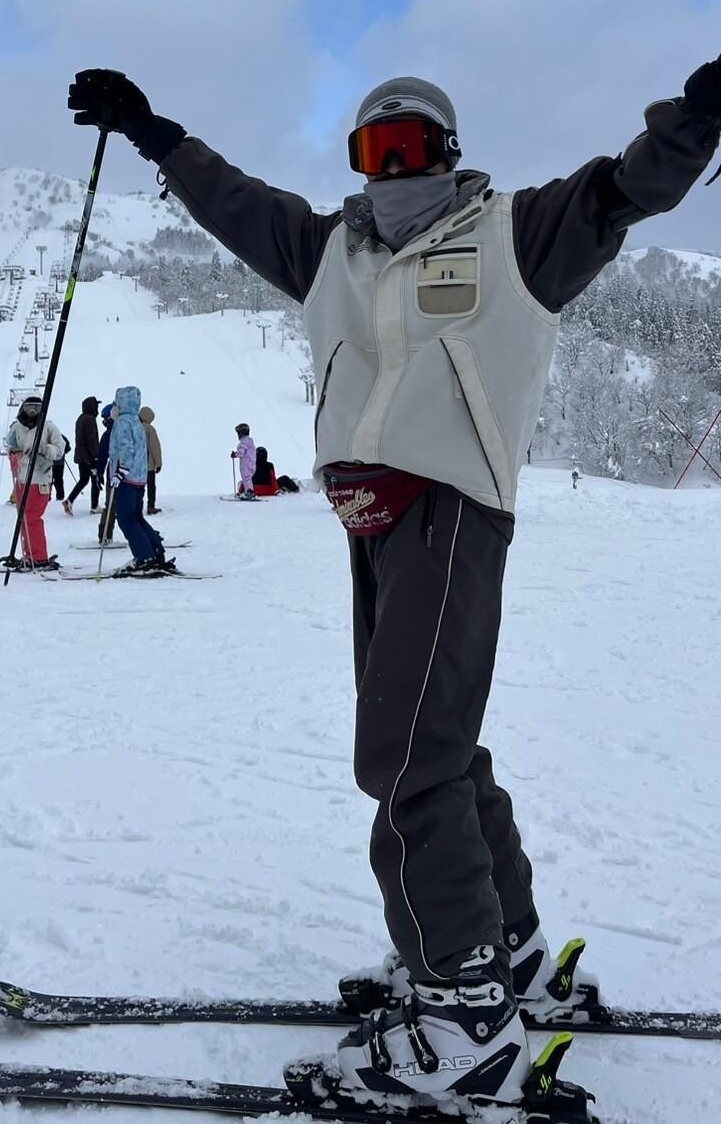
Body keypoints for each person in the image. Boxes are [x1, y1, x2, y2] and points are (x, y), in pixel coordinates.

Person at [68, 60, 721, 1110]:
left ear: (447, 152)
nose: (391, 170)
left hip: (454, 505)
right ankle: (502, 947)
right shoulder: (331, 249)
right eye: (374, 154)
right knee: (440, 740)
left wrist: (696, 121)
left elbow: (624, 187)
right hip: (370, 519)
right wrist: (158, 136)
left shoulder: (515, 232)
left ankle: (461, 1012)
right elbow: (237, 203)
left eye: (409, 149)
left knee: (407, 754)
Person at [107, 385, 169, 575]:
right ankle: (155, 551)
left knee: (126, 519)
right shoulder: (136, 421)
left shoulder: (123, 422)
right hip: (139, 478)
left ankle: (144, 556)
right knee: (137, 517)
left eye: (116, 403)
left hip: (127, 478)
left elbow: (126, 448)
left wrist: (120, 471)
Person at [2, 395, 65, 569]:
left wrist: (44, 449)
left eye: (36, 409)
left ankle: (39, 557)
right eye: (29, 408)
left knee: (32, 517)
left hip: (40, 479)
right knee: (23, 517)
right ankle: (29, 553)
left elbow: (61, 449)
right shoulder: (17, 427)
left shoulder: (48, 427)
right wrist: (14, 455)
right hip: (22, 478)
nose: (32, 413)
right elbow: (10, 445)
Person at [65, 395, 101, 515]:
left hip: (81, 456)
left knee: (84, 479)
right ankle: (94, 506)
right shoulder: (90, 420)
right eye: (96, 406)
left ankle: (69, 500)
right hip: (89, 457)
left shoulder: (80, 418)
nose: (97, 408)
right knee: (95, 479)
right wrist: (96, 456)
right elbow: (91, 440)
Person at [96, 403, 118, 544]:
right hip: (126, 472)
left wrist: (99, 473)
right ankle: (105, 534)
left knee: (111, 504)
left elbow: (102, 455)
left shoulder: (109, 433)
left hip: (113, 471)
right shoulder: (124, 430)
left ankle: (104, 535)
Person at [139, 405, 163, 512]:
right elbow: (155, 447)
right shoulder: (150, 429)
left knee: (138, 487)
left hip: (137, 465)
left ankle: (137, 506)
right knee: (151, 486)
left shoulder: (135, 427)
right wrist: (158, 463)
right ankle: (150, 506)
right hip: (148, 465)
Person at [231, 422, 256, 498]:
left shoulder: (242, 443)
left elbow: (241, 453)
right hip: (252, 464)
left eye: (238, 433)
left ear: (241, 434)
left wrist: (235, 454)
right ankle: (248, 492)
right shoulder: (251, 443)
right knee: (248, 479)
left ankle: (249, 493)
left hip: (245, 465)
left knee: (246, 479)